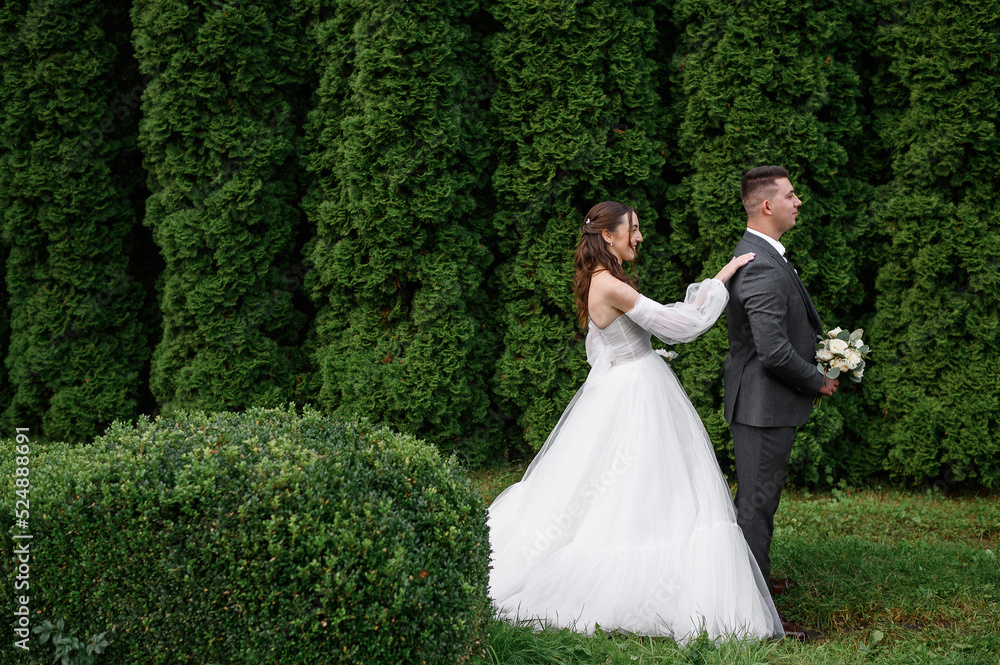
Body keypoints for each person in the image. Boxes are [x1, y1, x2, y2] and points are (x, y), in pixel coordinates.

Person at [487, 201, 783, 643]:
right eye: (634, 229)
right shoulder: (610, 285)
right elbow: (680, 324)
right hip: (637, 394)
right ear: (608, 236)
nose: (639, 237)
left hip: (627, 384)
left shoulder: (600, 280)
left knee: (639, 486)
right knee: (641, 485)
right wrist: (721, 281)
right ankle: (635, 588)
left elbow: (606, 343)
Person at [723, 166, 838, 633]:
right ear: (767, 205)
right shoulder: (760, 265)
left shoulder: (763, 256)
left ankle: (749, 579)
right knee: (756, 506)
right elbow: (772, 351)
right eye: (792, 196)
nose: (799, 202)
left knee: (754, 502)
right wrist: (817, 379)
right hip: (762, 406)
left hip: (762, 404)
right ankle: (756, 614)